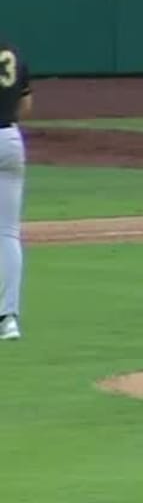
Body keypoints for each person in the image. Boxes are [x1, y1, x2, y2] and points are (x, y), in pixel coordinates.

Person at [0, 39, 29, 341]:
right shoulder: (12, 52)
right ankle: (9, 319)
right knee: (7, 234)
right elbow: (26, 104)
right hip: (10, 139)